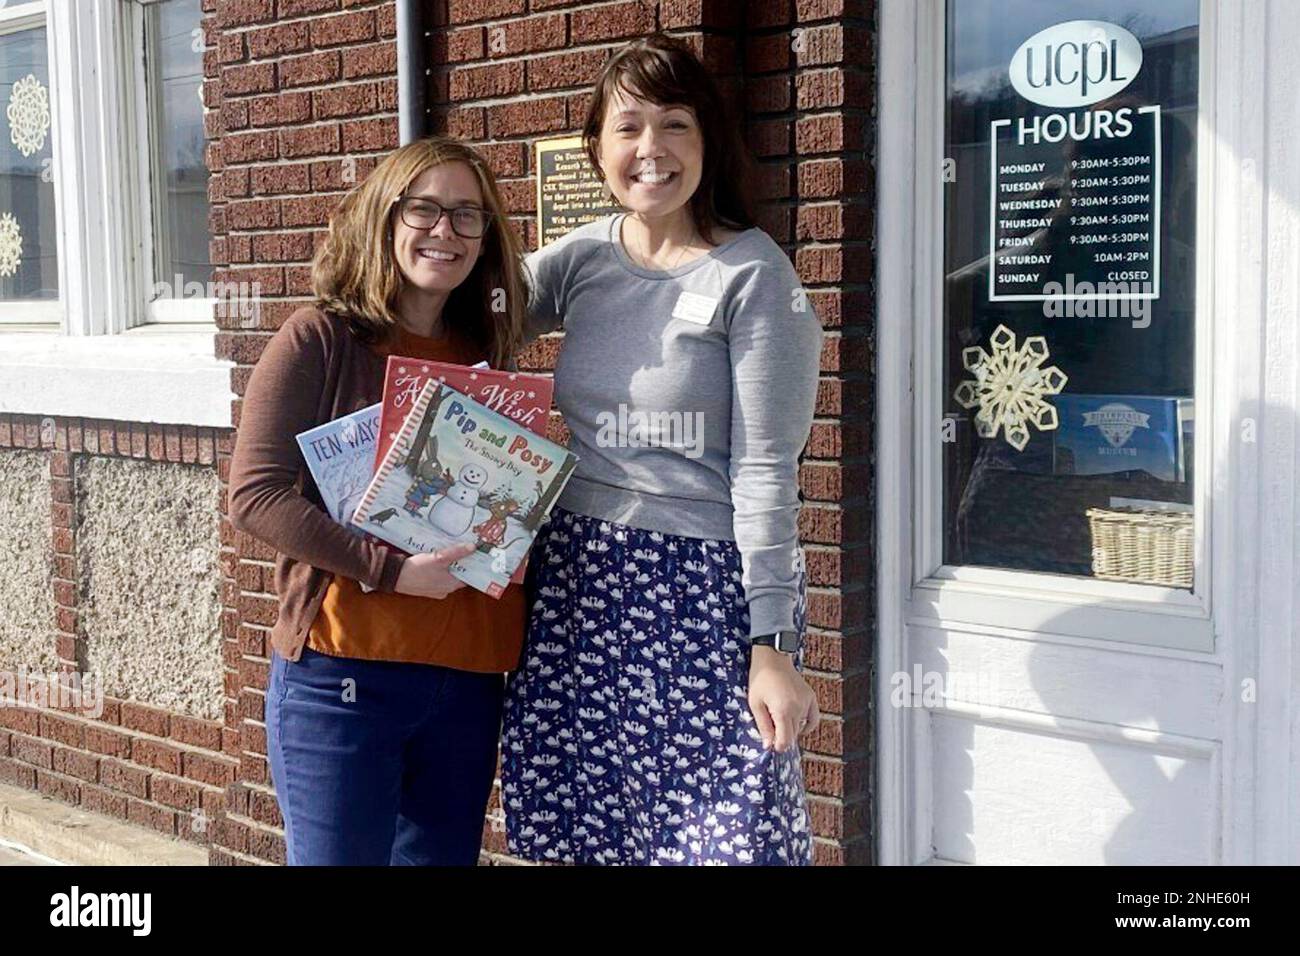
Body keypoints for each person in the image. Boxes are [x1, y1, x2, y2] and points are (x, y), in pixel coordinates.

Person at [501, 34, 824, 865]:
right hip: (576, 578)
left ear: (707, 139)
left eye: (675, 123)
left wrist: (774, 646)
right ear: (598, 150)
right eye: (629, 127)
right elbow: (471, 311)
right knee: (591, 825)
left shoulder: (756, 277)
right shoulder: (582, 258)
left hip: (699, 595)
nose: (652, 149)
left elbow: (765, 471)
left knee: (719, 833)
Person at [227, 136, 528, 865]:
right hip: (345, 675)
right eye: (424, 209)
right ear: (383, 219)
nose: (446, 232)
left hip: (467, 680)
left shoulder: (486, 351)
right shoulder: (319, 340)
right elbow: (255, 495)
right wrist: (390, 570)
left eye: (468, 215)